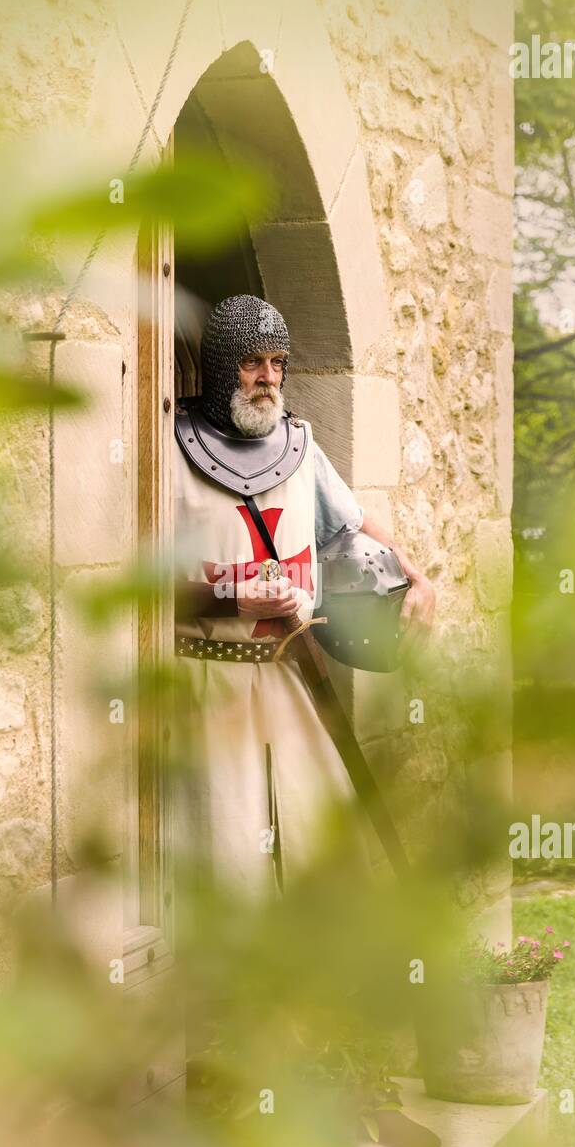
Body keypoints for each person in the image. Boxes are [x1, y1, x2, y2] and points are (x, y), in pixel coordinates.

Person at [172, 294, 435, 901]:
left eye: (277, 362)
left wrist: (417, 577)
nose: (268, 378)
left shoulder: (298, 449)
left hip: (289, 677)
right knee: (227, 859)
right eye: (251, 363)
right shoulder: (168, 453)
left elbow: (353, 525)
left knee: (321, 851)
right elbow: (133, 584)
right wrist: (235, 603)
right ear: (219, 368)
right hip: (202, 685)